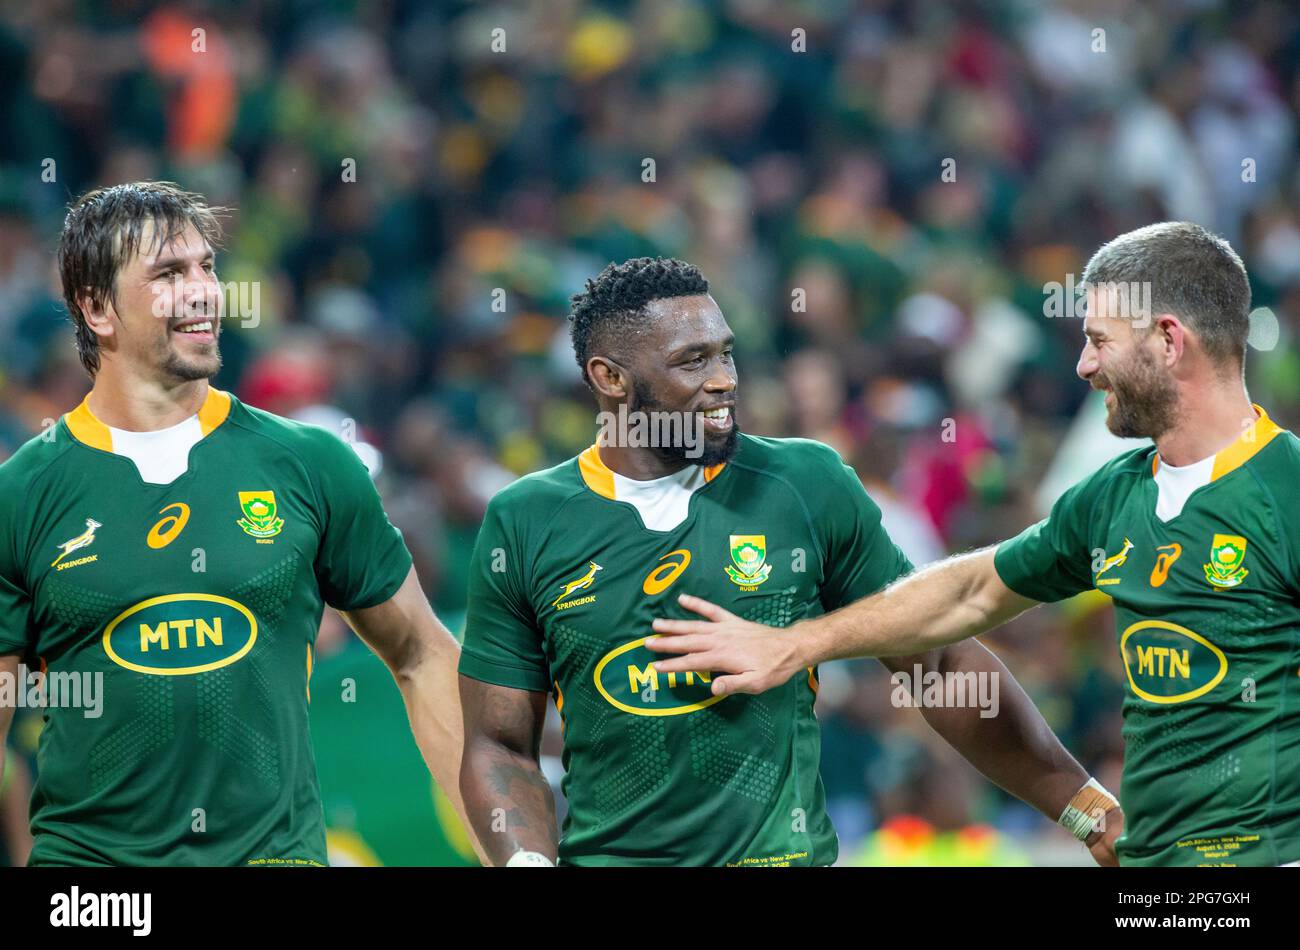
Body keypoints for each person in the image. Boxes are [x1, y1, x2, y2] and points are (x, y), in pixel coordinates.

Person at [650, 222, 1300, 866]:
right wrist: (799, 642)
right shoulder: (1112, 497)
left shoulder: (1286, 491)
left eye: (1099, 341)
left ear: (1168, 340)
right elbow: (967, 592)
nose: (1084, 364)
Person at [458, 256, 1119, 867]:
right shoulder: (526, 520)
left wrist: (1089, 812)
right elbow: (500, 743)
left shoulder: (805, 484)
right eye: (692, 361)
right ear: (609, 378)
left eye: (726, 353)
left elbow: (940, 665)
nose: (724, 381)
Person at [0, 181, 473, 866]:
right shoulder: (23, 495)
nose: (203, 292)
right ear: (96, 307)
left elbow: (423, 653)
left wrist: (507, 848)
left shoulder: (311, 465)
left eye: (206, 267)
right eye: (168, 274)